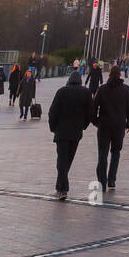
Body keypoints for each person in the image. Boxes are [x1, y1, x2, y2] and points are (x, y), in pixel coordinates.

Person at [47, 70, 94, 200]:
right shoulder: (86, 93)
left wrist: (53, 127)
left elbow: (53, 111)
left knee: (61, 159)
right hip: (76, 132)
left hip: (61, 131)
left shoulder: (62, 91)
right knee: (68, 160)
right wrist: (83, 126)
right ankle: (62, 186)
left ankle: (62, 188)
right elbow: (90, 113)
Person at [92, 64, 129, 192]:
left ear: (109, 75)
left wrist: (96, 122)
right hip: (119, 127)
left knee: (102, 154)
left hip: (104, 126)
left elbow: (93, 108)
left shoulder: (102, 89)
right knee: (116, 153)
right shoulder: (126, 89)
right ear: (120, 75)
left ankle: (102, 182)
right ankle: (111, 180)